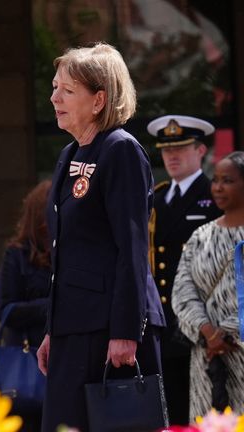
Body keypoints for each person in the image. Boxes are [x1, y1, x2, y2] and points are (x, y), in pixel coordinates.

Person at [36, 43, 165, 431]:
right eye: (55, 87)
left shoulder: (120, 151)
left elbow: (131, 247)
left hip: (111, 330)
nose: (54, 97)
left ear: (99, 100)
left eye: (67, 90)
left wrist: (126, 332)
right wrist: (52, 328)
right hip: (74, 327)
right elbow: (67, 253)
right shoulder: (70, 153)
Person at [146, 114, 222, 424]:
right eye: (166, 150)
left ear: (201, 151)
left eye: (181, 148)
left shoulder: (215, 195)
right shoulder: (157, 198)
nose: (172, 156)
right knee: (173, 412)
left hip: (205, 322)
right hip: (166, 324)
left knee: (209, 410)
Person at [172, 151, 244, 420]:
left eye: (228, 180)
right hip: (207, 359)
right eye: (215, 180)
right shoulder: (201, 236)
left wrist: (225, 332)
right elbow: (182, 291)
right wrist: (208, 332)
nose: (218, 187)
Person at [0, 179, 52, 431]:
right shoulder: (16, 255)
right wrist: (52, 306)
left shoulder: (72, 252)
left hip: (66, 360)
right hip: (28, 361)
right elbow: (6, 310)